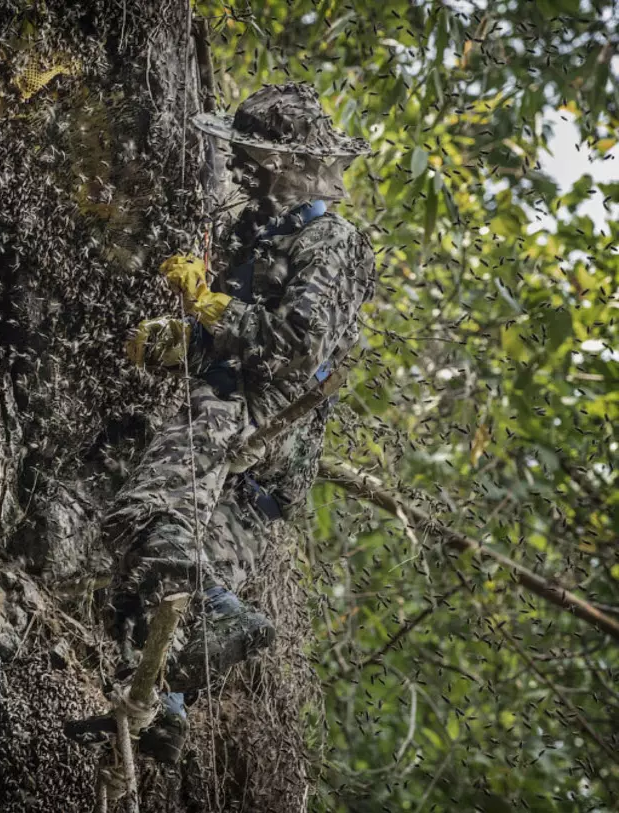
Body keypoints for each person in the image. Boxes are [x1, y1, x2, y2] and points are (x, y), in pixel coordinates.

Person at [105, 83, 377, 761]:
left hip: (250, 422)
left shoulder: (333, 241)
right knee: (169, 590)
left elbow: (296, 345)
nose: (240, 166)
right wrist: (177, 338)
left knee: (145, 516)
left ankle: (223, 617)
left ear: (289, 161)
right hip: (253, 438)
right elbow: (231, 337)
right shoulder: (262, 233)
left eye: (253, 154)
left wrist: (211, 305)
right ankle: (158, 713)